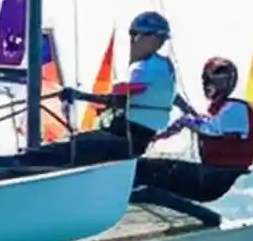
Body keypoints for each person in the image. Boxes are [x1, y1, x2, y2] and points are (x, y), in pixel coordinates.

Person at [27, 11, 177, 165]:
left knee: (75, 146)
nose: (132, 40)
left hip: (129, 138)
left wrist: (78, 95)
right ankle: (30, 160)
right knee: (79, 141)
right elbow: (168, 97)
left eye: (135, 34)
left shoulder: (147, 68)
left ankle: (25, 163)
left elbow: (116, 99)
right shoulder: (165, 67)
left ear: (154, 39)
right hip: (136, 136)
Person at [134, 57, 253, 202]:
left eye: (220, 79)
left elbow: (208, 128)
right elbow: (202, 123)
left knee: (144, 168)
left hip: (218, 178)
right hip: (212, 176)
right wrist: (157, 136)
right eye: (211, 79)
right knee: (147, 168)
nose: (213, 84)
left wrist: (185, 120)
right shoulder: (216, 112)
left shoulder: (236, 108)